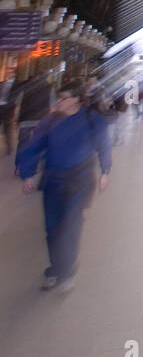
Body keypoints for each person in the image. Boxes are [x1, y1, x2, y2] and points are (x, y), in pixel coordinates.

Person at [16, 76, 111, 292]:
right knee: (51, 228)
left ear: (76, 100)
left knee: (70, 225)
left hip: (80, 180)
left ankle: (65, 272)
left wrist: (105, 170)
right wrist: (27, 174)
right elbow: (33, 147)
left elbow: (103, 144)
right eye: (58, 98)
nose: (58, 102)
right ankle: (56, 268)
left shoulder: (91, 118)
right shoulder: (49, 121)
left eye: (63, 99)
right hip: (53, 181)